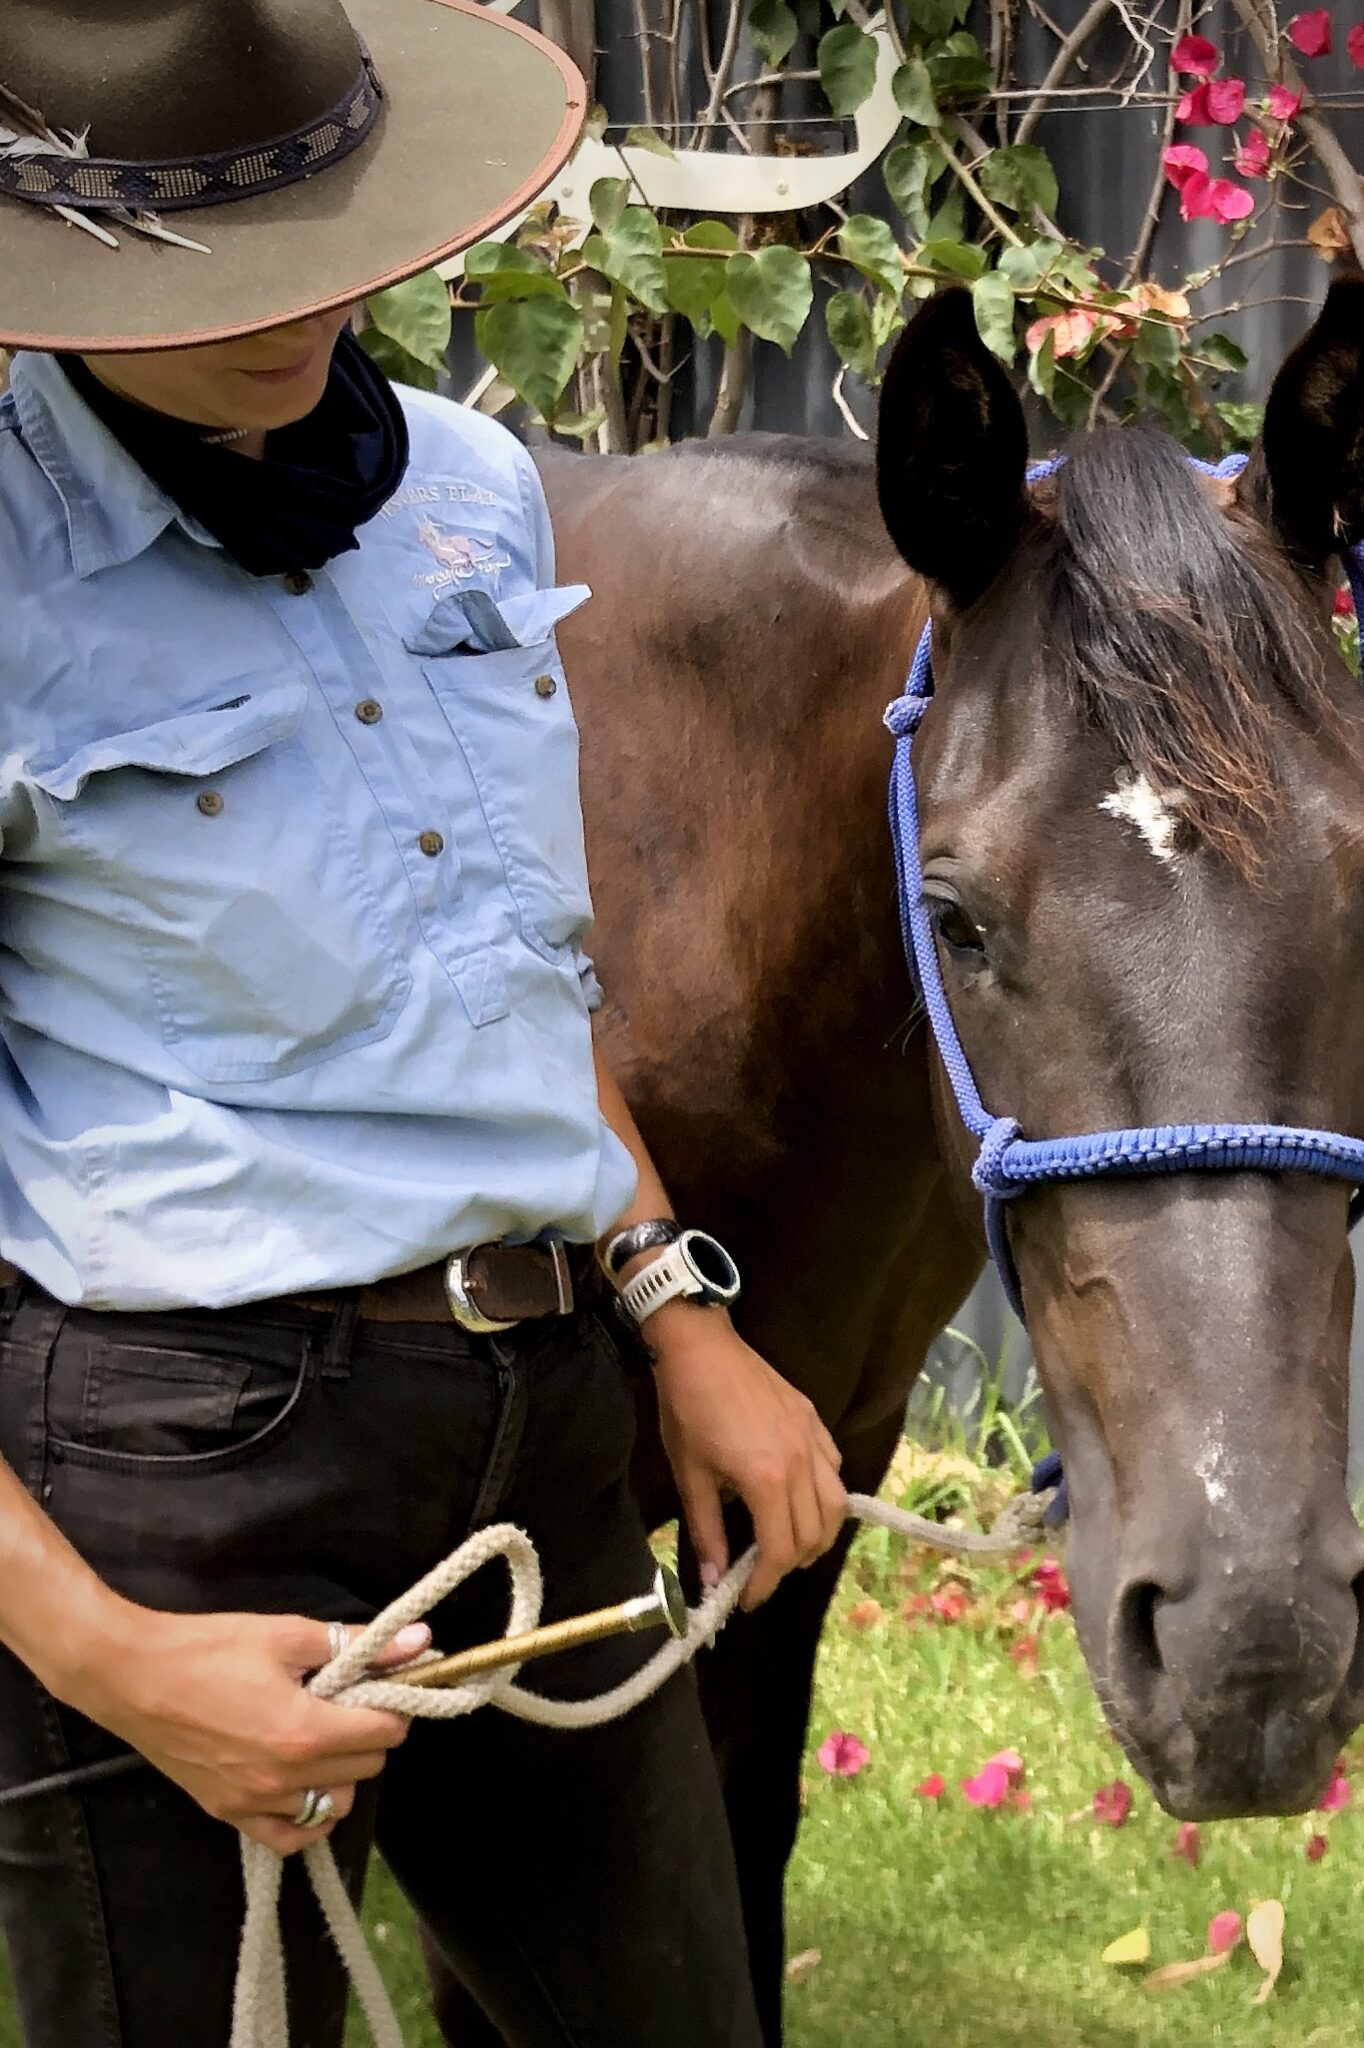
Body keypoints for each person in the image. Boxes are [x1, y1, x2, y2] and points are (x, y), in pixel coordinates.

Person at [0, 3, 847, 2042]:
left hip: (541, 1423)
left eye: (330, 235)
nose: (307, 317)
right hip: (179, 1467)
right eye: (231, 274)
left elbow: (504, 980)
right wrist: (112, 1658)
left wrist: (679, 1311)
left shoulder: (462, 489)